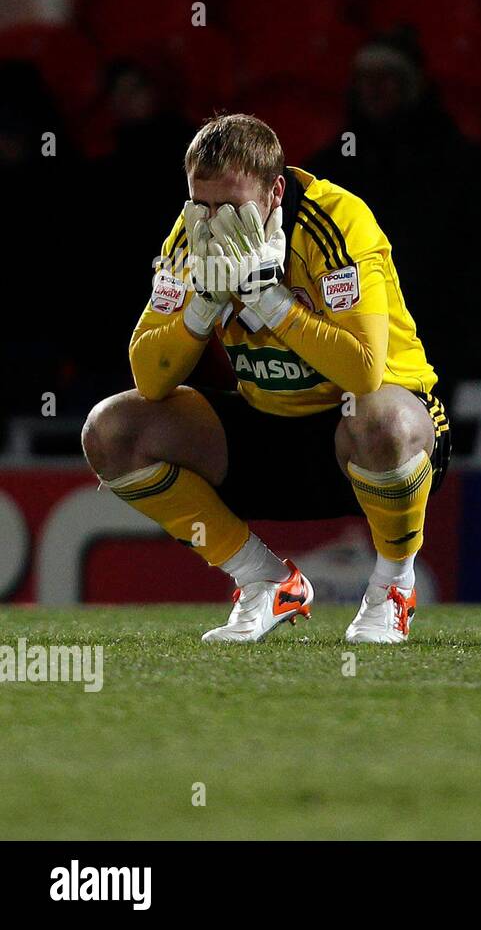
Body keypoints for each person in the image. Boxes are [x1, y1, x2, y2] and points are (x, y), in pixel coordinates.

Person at [80, 113, 451, 644]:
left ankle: (393, 585)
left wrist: (270, 303)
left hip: (376, 437)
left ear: (275, 191)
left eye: (231, 206)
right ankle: (264, 581)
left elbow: (365, 370)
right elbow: (150, 376)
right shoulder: (193, 235)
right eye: (202, 205)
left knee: (380, 417)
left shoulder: (338, 220)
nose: (215, 221)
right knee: (111, 430)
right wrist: (200, 307)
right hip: (269, 428)